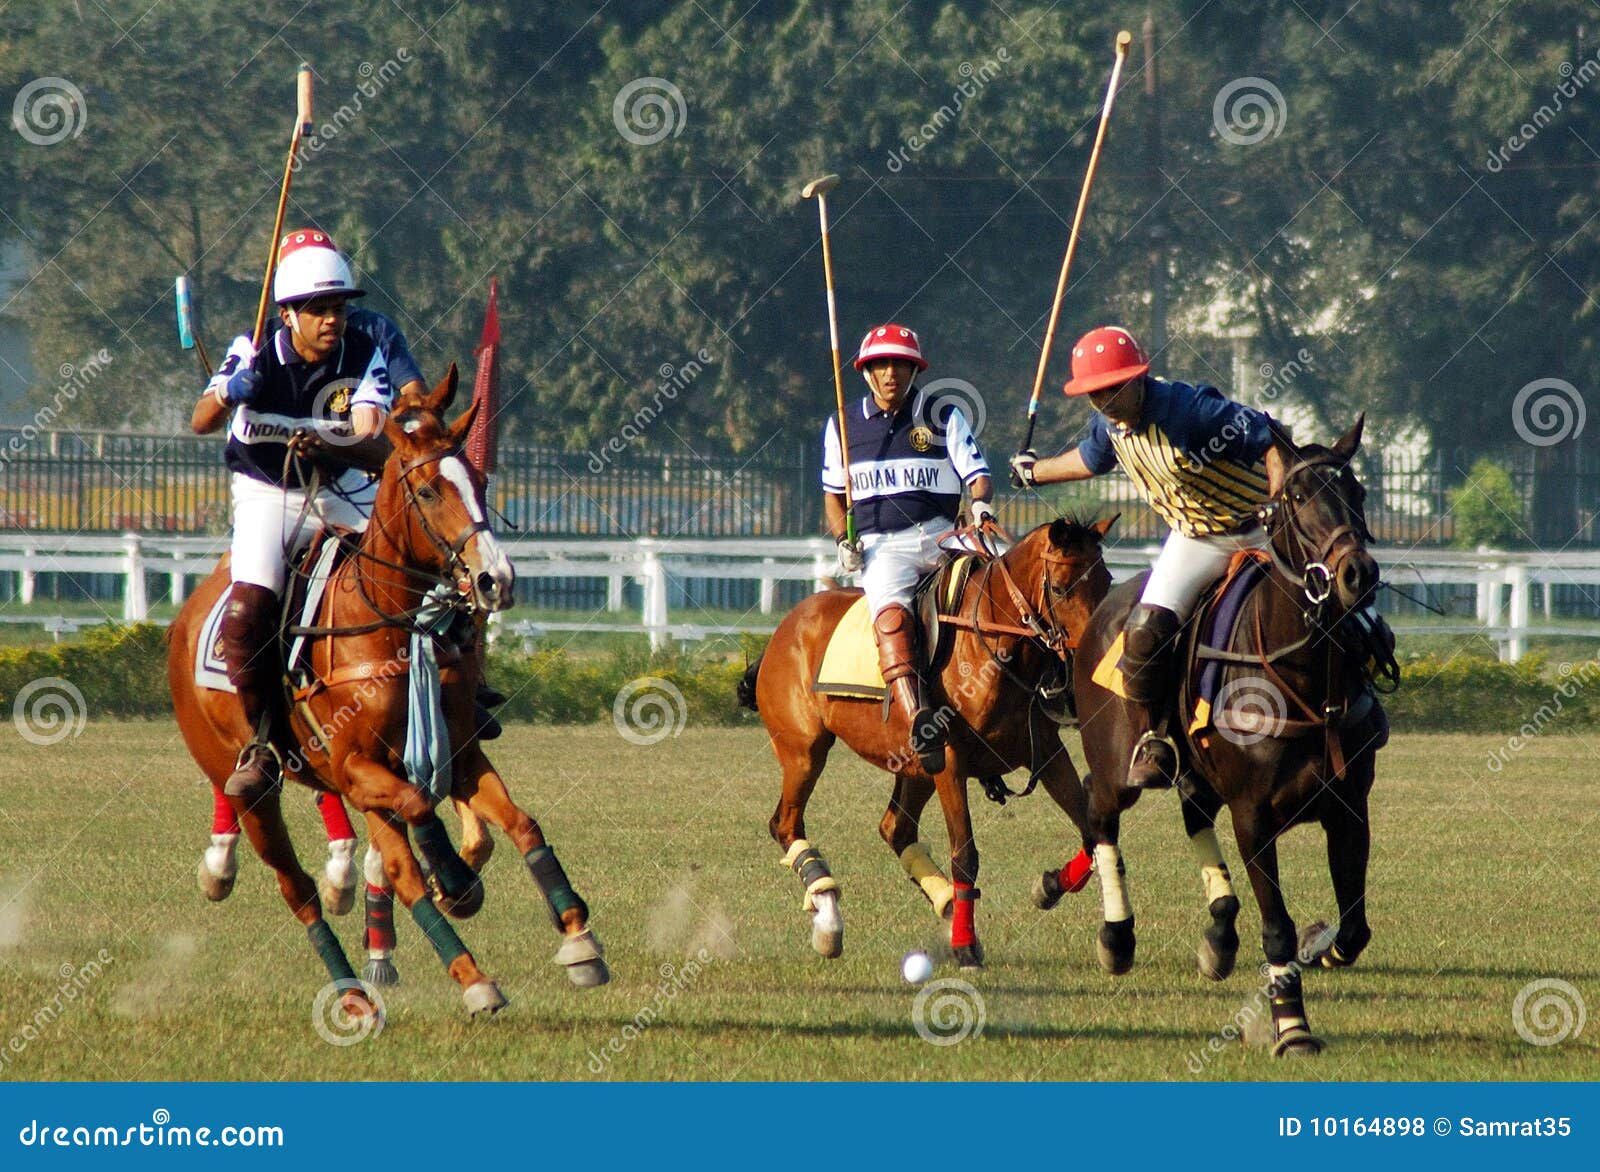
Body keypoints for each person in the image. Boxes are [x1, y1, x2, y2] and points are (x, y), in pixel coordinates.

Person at [1009, 325, 1274, 790]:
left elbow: (1269, 437)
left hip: (1263, 528)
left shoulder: (1189, 410)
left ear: (1139, 379)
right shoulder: (1108, 423)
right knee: (1144, 631)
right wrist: (1035, 472)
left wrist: (1277, 498)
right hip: (1199, 538)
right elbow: (1092, 459)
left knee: (1329, 598)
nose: (1105, 401)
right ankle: (1155, 740)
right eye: (1094, 394)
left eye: (1113, 388)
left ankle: (1359, 706)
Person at [191, 228, 393, 801]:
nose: (333, 320)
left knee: (416, 575)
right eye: (319, 309)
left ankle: (462, 693)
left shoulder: (363, 354)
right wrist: (232, 389)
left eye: (339, 308)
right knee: (250, 608)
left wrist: (334, 445)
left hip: (341, 489)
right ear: (288, 315)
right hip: (267, 493)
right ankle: (261, 743)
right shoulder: (252, 348)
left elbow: (376, 443)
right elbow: (200, 420)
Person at [823, 323, 995, 773]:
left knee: (1005, 587)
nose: (890, 373)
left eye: (900, 364)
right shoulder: (843, 422)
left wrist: (979, 505)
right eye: (880, 365)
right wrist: (845, 539)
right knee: (893, 614)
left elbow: (977, 473)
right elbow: (834, 496)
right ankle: (919, 715)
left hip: (943, 534)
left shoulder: (943, 414)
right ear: (866, 372)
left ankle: (1048, 690)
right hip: (884, 546)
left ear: (914, 369)